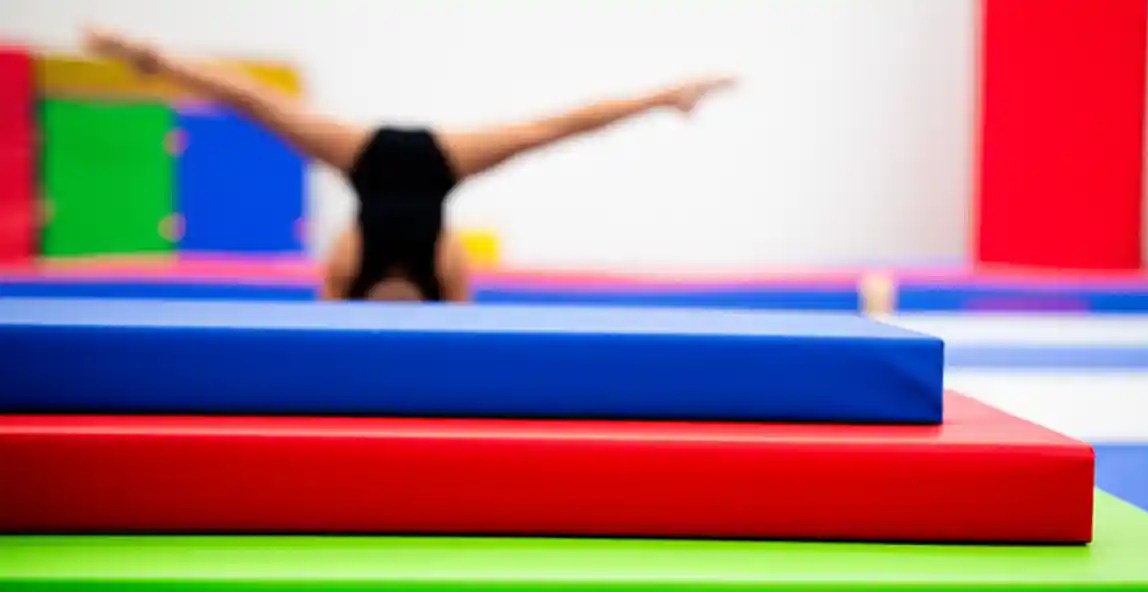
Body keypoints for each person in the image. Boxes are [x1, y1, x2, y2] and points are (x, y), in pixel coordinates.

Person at [84, 28, 735, 302]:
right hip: (415, 163)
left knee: (548, 130)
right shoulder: (431, 268)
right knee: (259, 104)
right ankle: (149, 56)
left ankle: (666, 97)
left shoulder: (361, 265)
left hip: (386, 161)